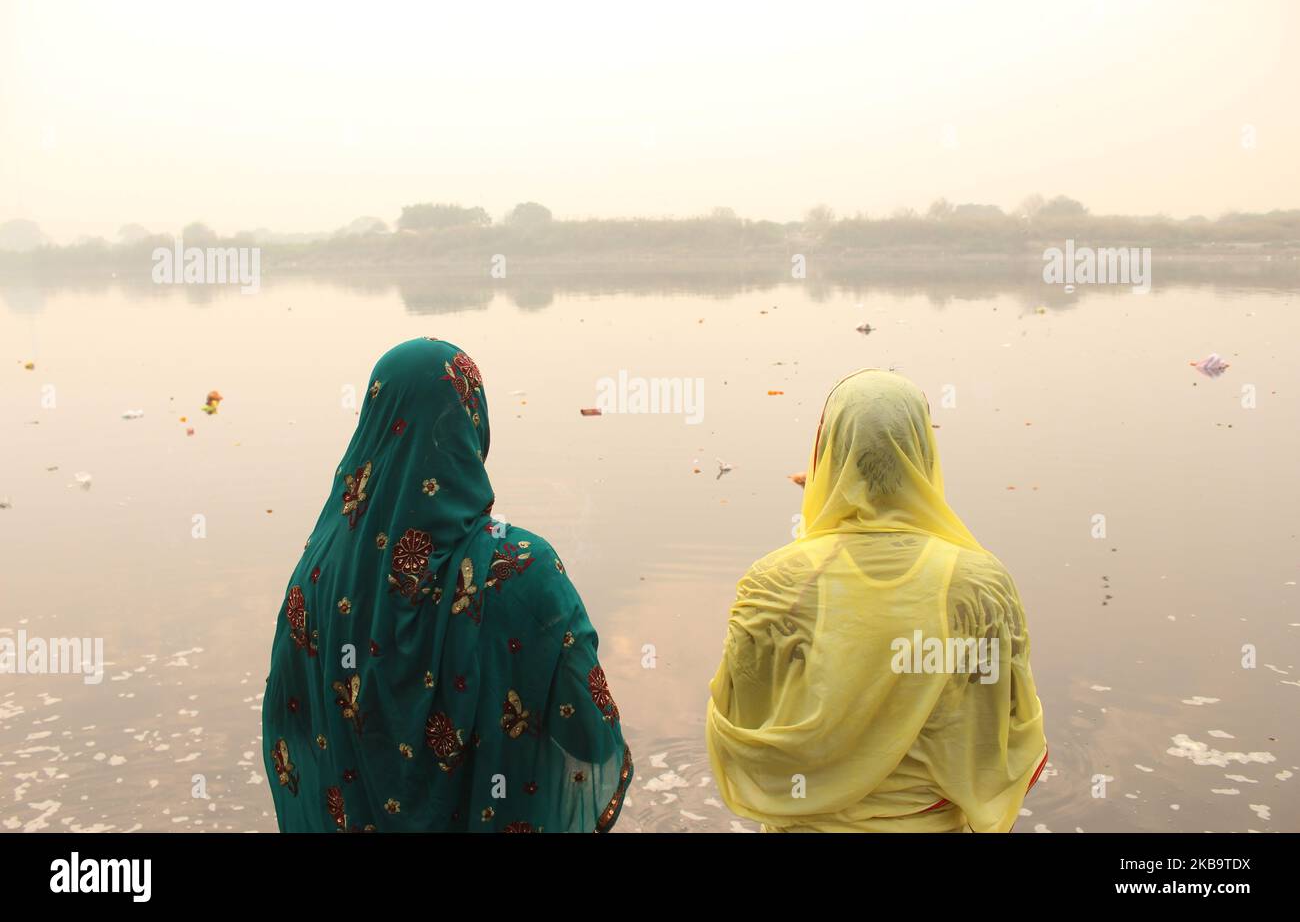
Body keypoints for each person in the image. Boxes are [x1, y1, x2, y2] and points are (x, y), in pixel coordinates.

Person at [262, 338, 632, 832]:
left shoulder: (316, 578)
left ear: (372, 422)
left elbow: (290, 729)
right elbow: (590, 737)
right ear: (472, 422)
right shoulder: (522, 569)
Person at [706, 368, 1046, 832]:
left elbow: (744, 720)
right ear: (924, 451)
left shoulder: (776, 582)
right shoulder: (981, 582)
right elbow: (1008, 728)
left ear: (826, 450)